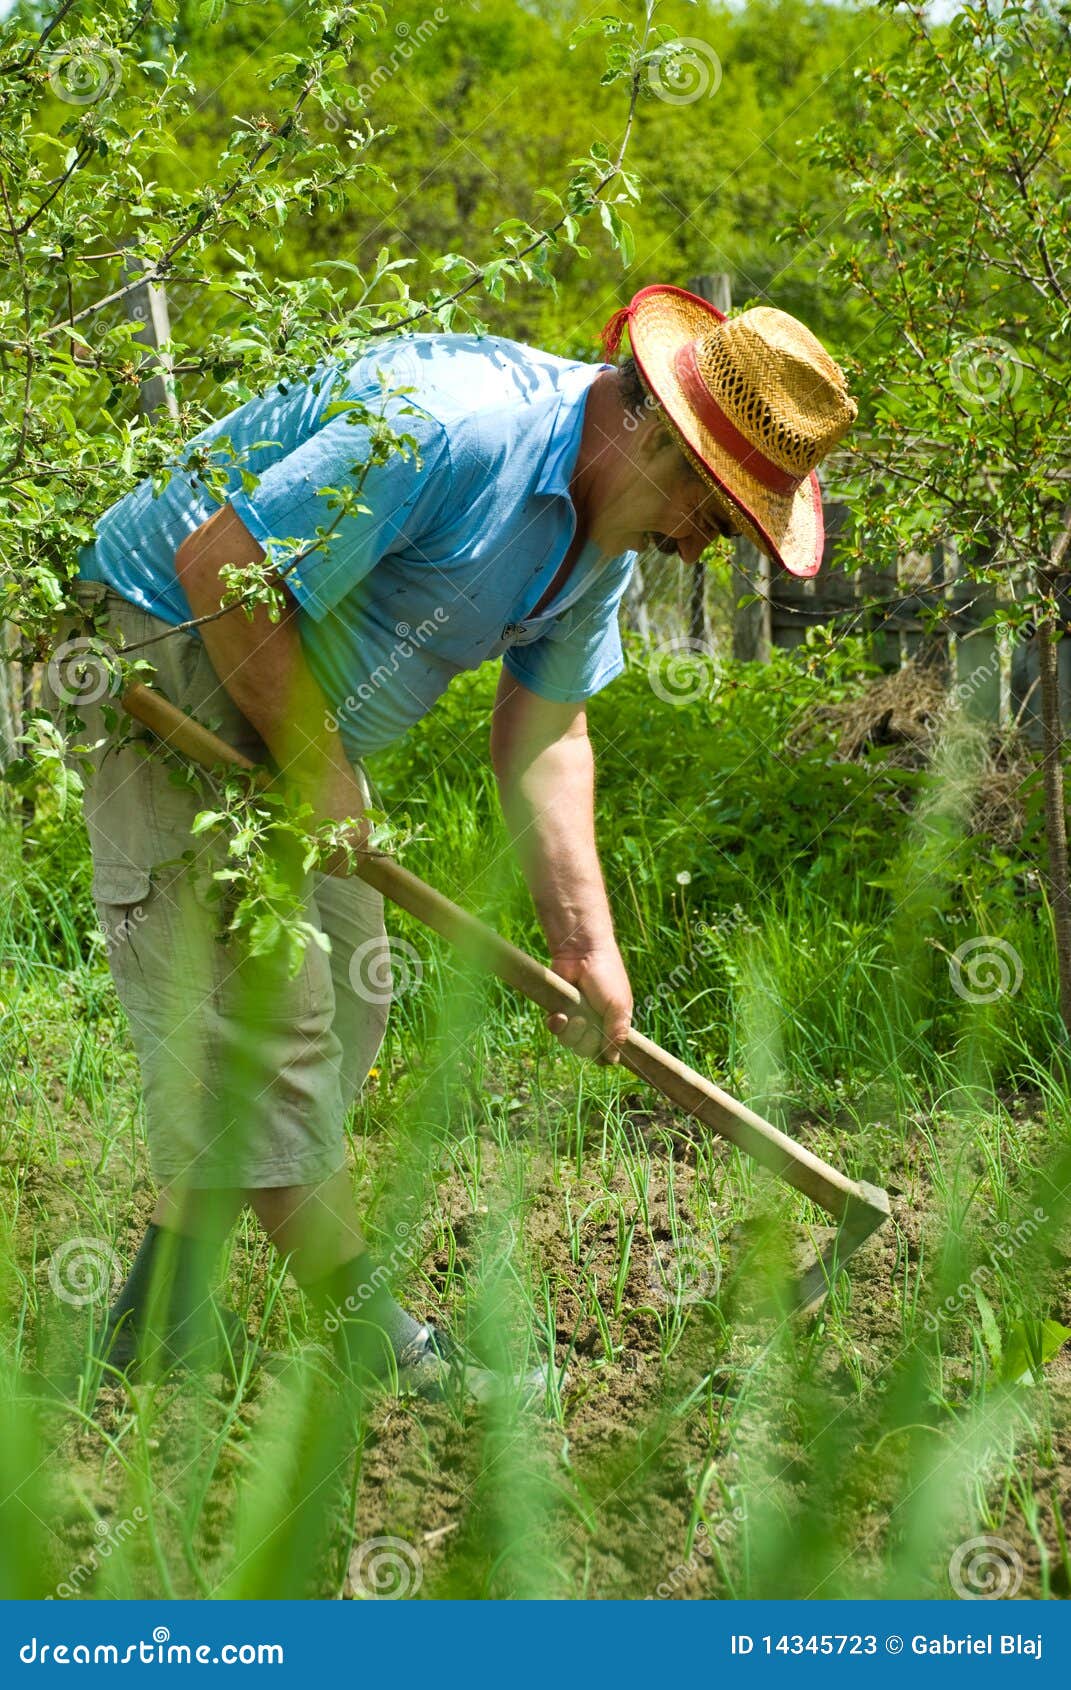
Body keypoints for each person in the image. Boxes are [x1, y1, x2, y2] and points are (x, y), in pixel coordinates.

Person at [52, 283, 856, 1402]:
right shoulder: (454, 428)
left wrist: (589, 945)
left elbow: (545, 730)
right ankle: (386, 1350)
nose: (692, 545)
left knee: (347, 1001)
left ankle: (154, 1323)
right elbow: (218, 561)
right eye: (710, 516)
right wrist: (319, 764)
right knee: (263, 1018)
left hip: (283, 693)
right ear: (660, 438)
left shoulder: (598, 539)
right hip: (176, 643)